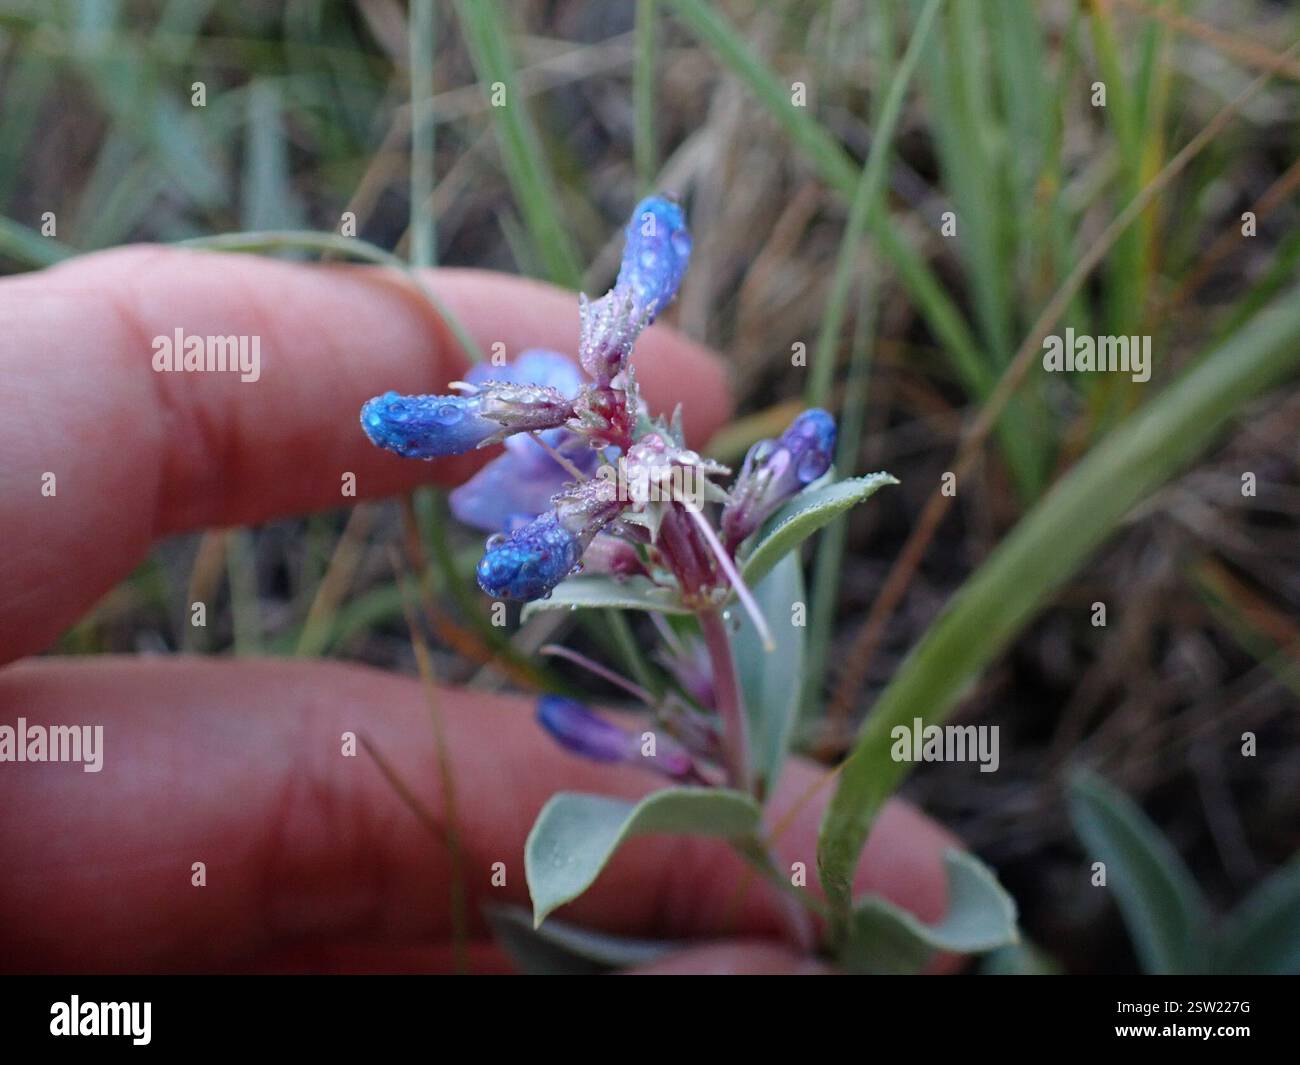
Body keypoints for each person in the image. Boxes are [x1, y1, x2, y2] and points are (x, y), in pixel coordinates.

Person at [0, 246, 956, 973]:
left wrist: (708, 495)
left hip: (637, 524)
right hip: (601, 522)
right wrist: (577, 504)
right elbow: (500, 507)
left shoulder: (626, 458)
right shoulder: (581, 470)